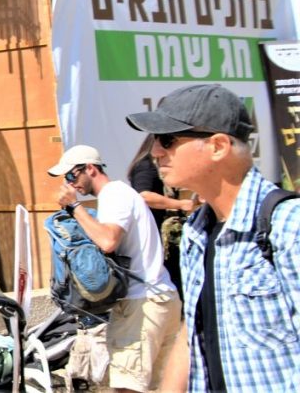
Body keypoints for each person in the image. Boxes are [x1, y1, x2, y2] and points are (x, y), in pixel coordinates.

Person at [127, 84, 300, 393]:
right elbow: (192, 332)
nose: (155, 152)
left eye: (167, 139)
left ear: (218, 146)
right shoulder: (195, 231)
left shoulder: (288, 224)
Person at [48, 144, 181, 393]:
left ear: (90, 168)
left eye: (71, 175)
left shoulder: (114, 195)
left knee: (126, 386)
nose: (69, 183)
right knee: (162, 387)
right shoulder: (120, 194)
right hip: (160, 296)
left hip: (141, 304)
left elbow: (108, 241)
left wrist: (75, 207)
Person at [126, 134, 196, 292]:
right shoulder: (145, 166)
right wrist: (180, 204)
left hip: (166, 234)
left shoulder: (159, 167)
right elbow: (144, 195)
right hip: (156, 235)